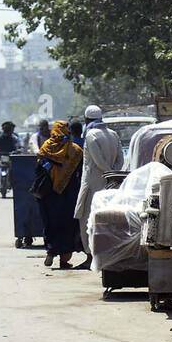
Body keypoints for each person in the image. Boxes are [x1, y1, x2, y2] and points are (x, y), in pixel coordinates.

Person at [73, 105, 123, 271]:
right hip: (111, 184)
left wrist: (108, 172)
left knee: (86, 219)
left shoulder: (90, 135)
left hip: (92, 185)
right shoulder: (113, 134)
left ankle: (90, 257)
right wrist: (113, 175)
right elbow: (120, 160)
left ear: (86, 119)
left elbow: (98, 160)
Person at [36, 120, 84, 269]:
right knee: (68, 227)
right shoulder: (75, 150)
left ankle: (51, 251)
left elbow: (38, 170)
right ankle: (64, 260)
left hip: (49, 195)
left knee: (50, 224)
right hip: (68, 195)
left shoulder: (46, 147)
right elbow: (81, 172)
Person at [0, 121, 22, 188]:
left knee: (18, 167)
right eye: (7, 129)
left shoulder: (15, 138)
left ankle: (16, 181)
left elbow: (18, 146)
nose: (9, 131)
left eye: (10, 129)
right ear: (3, 129)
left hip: (11, 157)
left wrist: (18, 150)